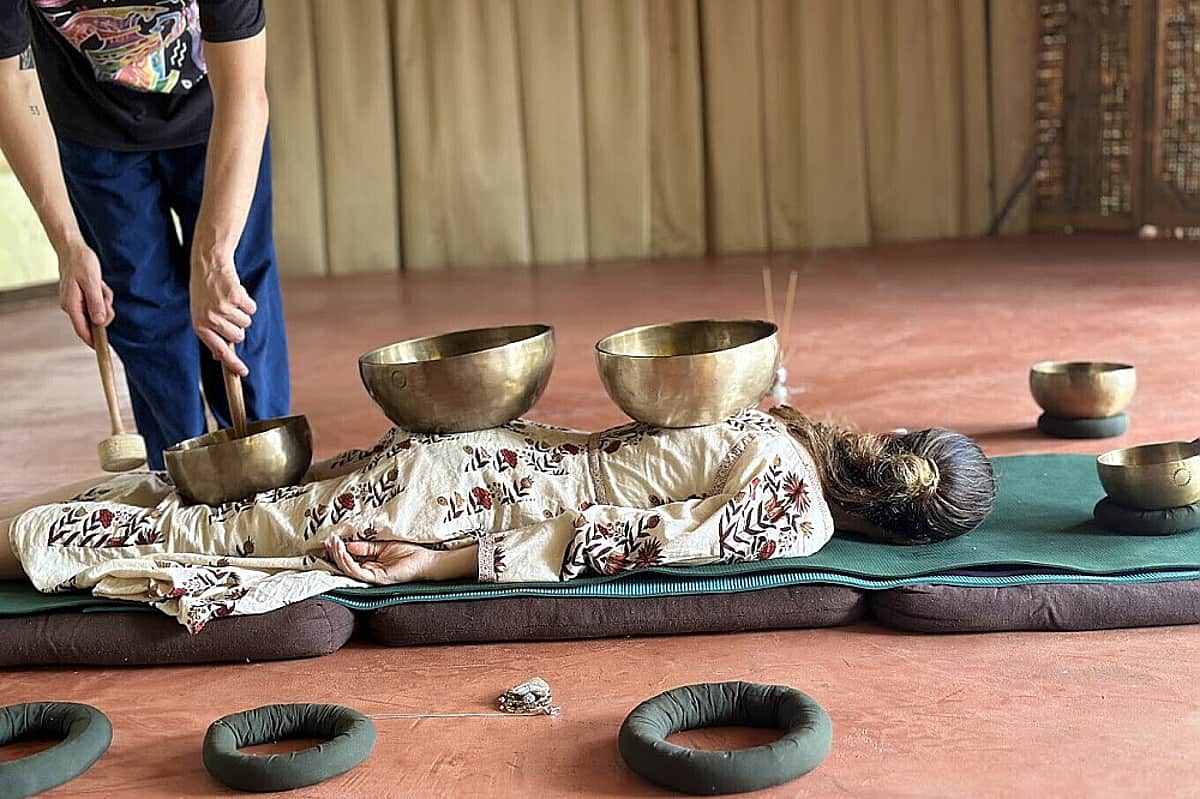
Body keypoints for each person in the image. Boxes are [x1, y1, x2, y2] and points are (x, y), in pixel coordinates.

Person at [1, 407, 997, 632]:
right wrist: (434, 565)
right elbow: (614, 545)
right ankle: (28, 536)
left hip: (480, 452)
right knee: (210, 535)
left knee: (219, 510)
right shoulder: (800, 518)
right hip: (454, 504)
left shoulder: (781, 431)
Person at [0, 0, 289, 469]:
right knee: (139, 307)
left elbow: (243, 93)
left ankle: (266, 471)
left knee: (234, 301)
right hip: (91, 129)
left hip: (214, 115)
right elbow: (8, 81)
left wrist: (213, 257)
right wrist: (68, 243)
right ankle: (182, 476)